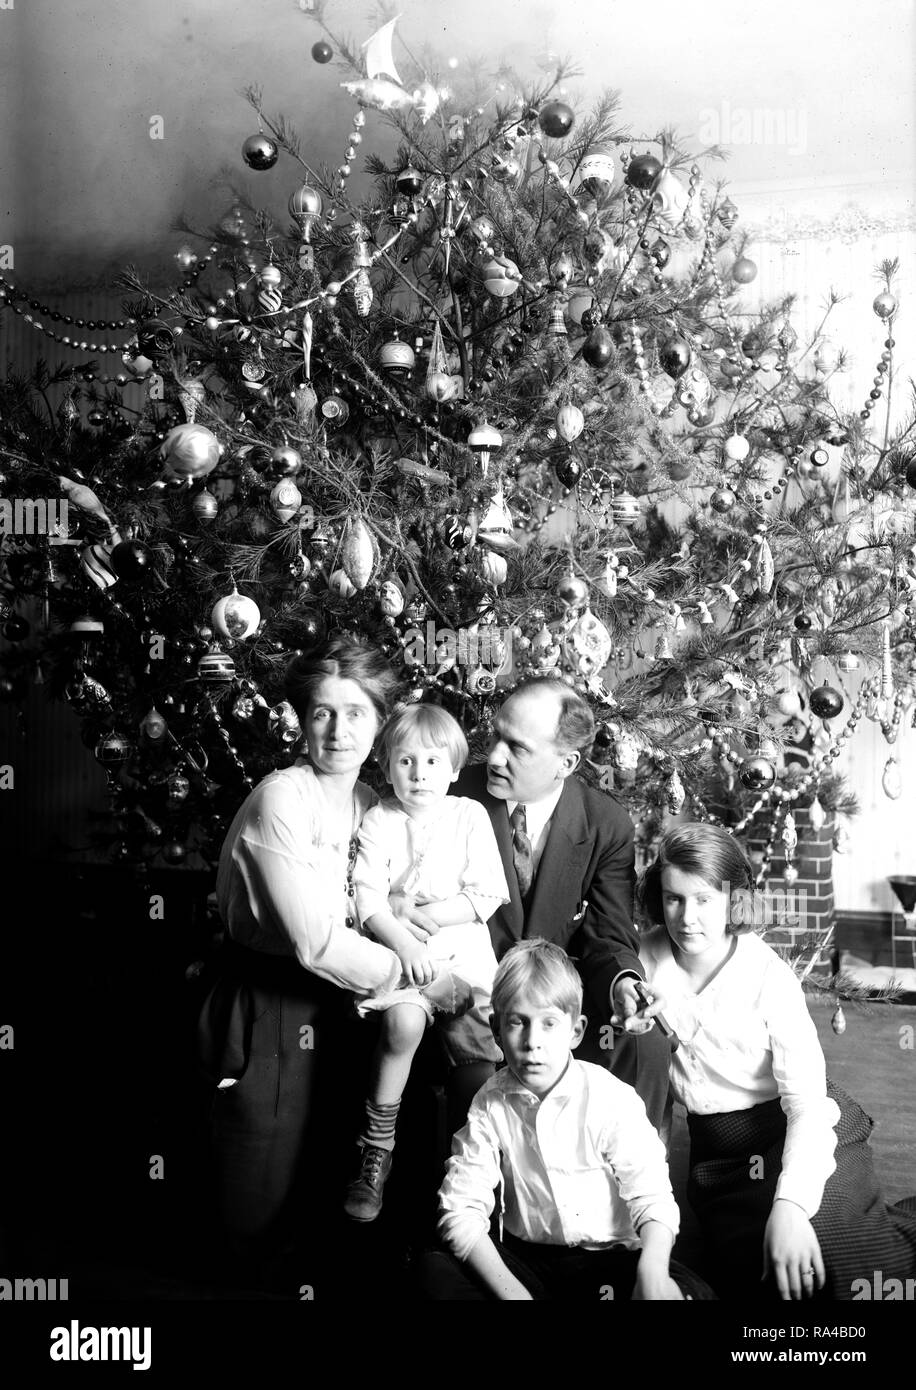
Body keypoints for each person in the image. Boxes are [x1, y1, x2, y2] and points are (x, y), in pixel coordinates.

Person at [197, 637, 451, 1266]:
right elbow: (314, 942)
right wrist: (415, 979)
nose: (339, 732)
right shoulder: (280, 797)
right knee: (256, 1199)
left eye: (356, 713)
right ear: (302, 720)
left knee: (324, 1188)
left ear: (379, 722)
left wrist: (425, 944)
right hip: (265, 1003)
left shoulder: (373, 805)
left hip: (342, 1009)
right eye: (322, 713)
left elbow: (391, 907)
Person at [634, 821, 916, 1301]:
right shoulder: (641, 966)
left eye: (704, 899)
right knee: (773, 1280)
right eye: (674, 898)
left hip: (805, 1129)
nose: (686, 917)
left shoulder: (768, 976)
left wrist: (790, 1205)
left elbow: (806, 1105)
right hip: (722, 1160)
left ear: (734, 900)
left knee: (829, 1259)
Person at [419, 940, 714, 1300]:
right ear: (496, 1032)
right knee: (433, 1273)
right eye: (517, 1023)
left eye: (549, 1024)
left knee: (689, 1294)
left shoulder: (610, 1097)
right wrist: (514, 1295)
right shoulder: (490, 1103)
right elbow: (460, 1209)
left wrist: (651, 1272)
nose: (532, 1042)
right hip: (531, 1265)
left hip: (612, 1261)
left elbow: (652, 1197)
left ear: (576, 1032)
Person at [454, 676, 672, 1130]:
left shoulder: (605, 823)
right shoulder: (452, 793)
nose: (493, 755)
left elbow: (609, 934)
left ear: (566, 762)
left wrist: (623, 986)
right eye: (495, 735)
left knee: (643, 1045)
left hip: (557, 1000)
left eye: (516, 747)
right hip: (465, 991)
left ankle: (636, 1191)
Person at [343, 703, 510, 1222]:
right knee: (402, 1022)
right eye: (406, 761)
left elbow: (484, 895)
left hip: (461, 957)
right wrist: (406, 942)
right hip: (403, 956)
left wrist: (422, 916)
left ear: (456, 769)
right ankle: (377, 1149)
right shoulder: (379, 818)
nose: (419, 774)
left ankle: (476, 1173)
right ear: (387, 767)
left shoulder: (469, 815)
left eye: (433, 762)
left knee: (474, 1055)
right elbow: (367, 900)